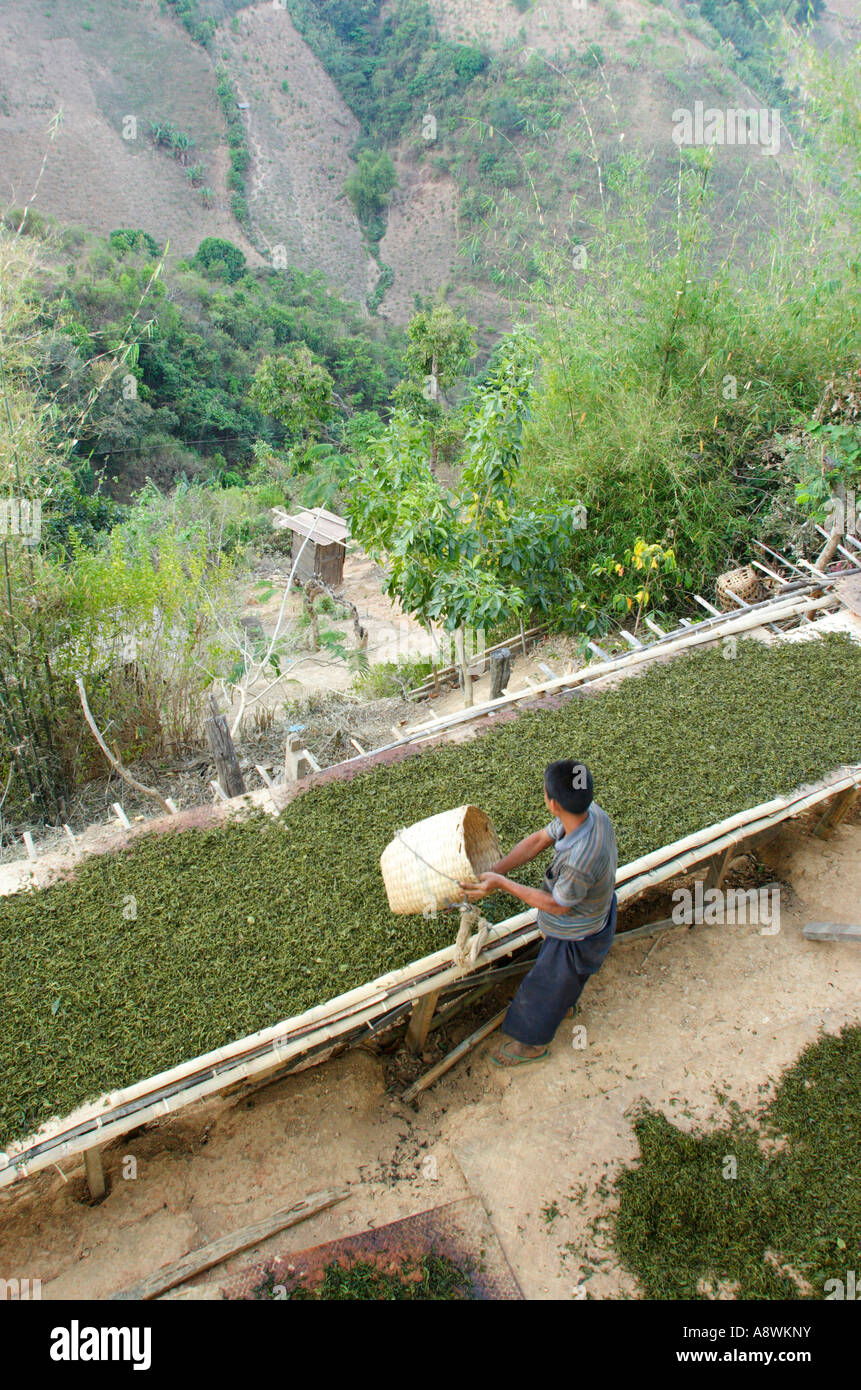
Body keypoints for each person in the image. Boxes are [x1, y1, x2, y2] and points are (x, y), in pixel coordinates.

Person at [460, 760, 617, 1067]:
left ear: (552, 802)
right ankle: (565, 1003)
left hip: (576, 933)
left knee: (543, 989)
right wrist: (494, 871)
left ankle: (531, 1045)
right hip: (595, 912)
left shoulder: (581, 858)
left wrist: (503, 884)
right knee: (568, 980)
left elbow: (557, 904)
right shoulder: (589, 813)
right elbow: (539, 840)